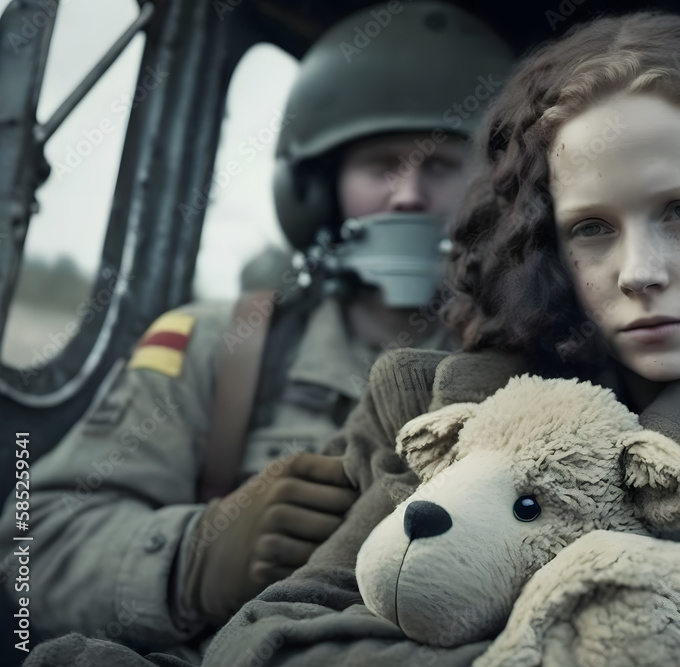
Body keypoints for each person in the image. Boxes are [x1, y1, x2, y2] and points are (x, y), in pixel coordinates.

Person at [21, 8, 680, 667]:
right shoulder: (435, 394)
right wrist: (196, 559)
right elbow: (251, 633)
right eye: (591, 227)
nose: (640, 270)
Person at [0, 1, 513, 662]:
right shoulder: (216, 346)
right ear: (318, 189)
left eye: (441, 165)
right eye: (381, 165)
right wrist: (196, 555)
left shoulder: (532, 365)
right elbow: (27, 547)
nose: (407, 195)